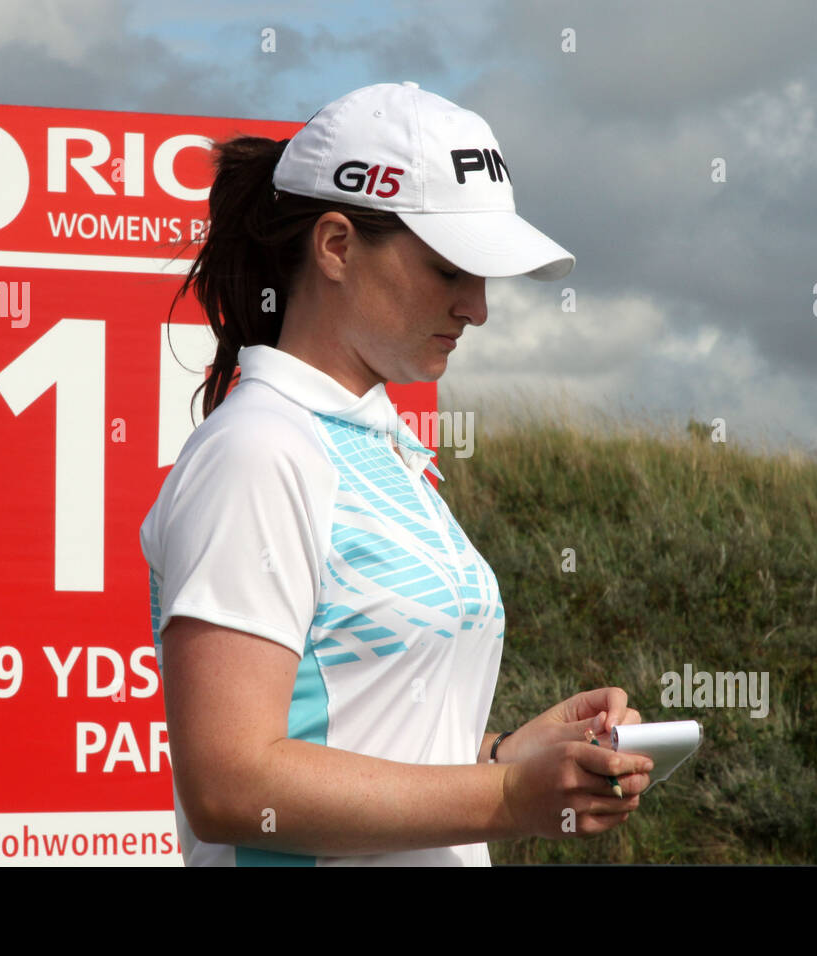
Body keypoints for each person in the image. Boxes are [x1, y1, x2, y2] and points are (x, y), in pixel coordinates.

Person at [139, 81, 653, 866]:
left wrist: (508, 754)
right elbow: (230, 784)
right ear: (336, 245)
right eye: (450, 270)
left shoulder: (379, 450)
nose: (477, 307)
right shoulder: (259, 451)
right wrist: (508, 798)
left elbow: (373, 733)